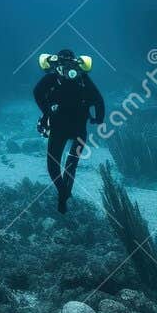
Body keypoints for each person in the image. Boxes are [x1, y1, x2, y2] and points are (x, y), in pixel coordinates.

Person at [33, 50, 104, 213]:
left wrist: (47, 111)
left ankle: (63, 194)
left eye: (68, 65)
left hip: (59, 128)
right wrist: (98, 119)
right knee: (71, 165)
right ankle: (64, 195)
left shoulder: (53, 77)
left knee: (53, 166)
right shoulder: (83, 79)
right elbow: (99, 100)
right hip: (78, 129)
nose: (67, 69)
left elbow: (37, 93)